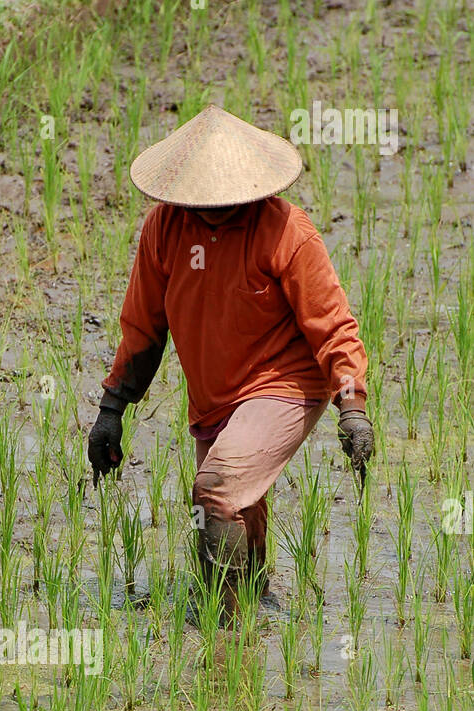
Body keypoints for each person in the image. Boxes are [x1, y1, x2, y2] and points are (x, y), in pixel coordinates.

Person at [88, 104, 373, 611]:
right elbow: (143, 328)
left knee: (216, 490)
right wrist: (112, 408)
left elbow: (333, 324)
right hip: (215, 398)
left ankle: (221, 628)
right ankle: (256, 611)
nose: (212, 206)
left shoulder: (286, 231)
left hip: (284, 384)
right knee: (236, 504)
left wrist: (352, 407)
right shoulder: (165, 230)